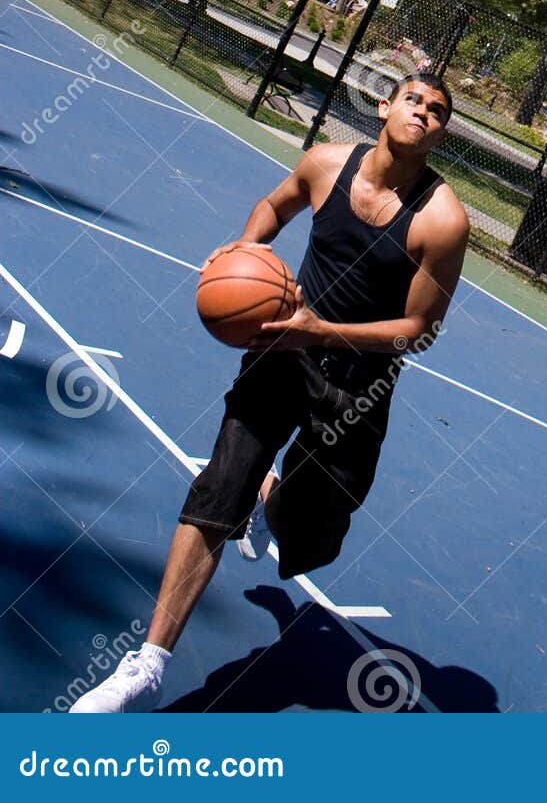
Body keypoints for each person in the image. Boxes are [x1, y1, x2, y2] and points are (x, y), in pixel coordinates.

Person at [69, 75, 468, 713]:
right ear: (385, 105)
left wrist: (324, 330)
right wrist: (247, 248)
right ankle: (146, 667)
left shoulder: (442, 221)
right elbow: (274, 205)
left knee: (311, 534)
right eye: (414, 100)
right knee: (216, 491)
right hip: (282, 354)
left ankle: (275, 497)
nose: (424, 113)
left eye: (438, 112)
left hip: (355, 392)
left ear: (443, 132)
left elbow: (419, 331)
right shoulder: (325, 163)